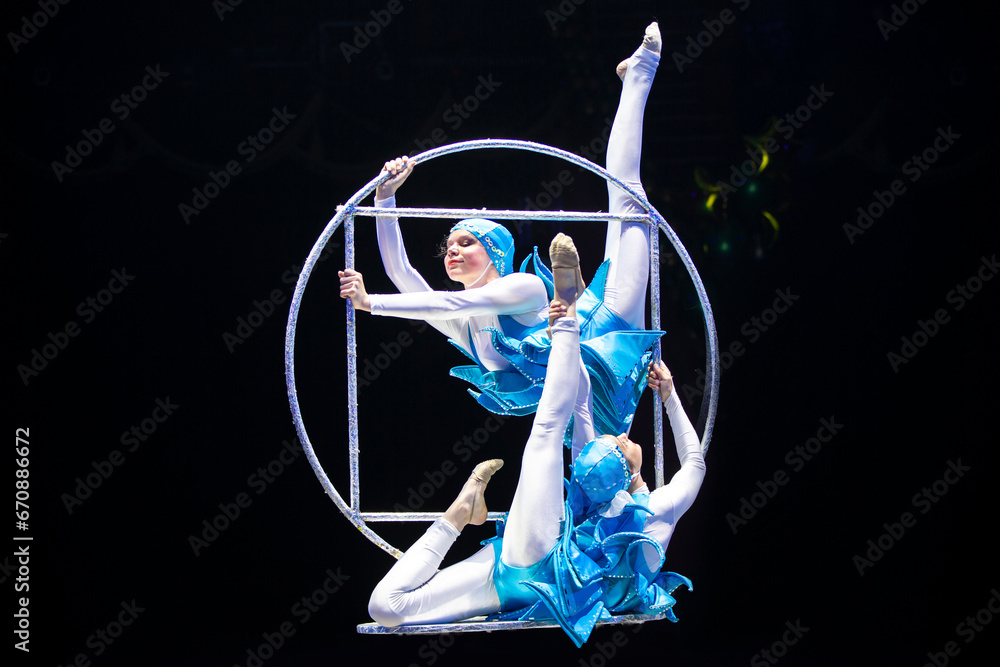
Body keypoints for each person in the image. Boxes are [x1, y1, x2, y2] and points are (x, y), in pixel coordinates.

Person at [366, 235, 706, 647]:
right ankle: (466, 509)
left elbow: (576, 412)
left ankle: (457, 515)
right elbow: (585, 406)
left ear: (625, 469)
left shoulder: (648, 505)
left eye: (618, 445)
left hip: (529, 569)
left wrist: (567, 320)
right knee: (387, 610)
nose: (619, 437)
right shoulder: (623, 500)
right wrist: (668, 397)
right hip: (521, 567)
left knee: (385, 608)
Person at [340, 23, 665, 438]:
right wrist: (385, 197)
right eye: (449, 246)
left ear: (494, 252)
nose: (451, 252)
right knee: (604, 484)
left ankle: (640, 73)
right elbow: (403, 275)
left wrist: (370, 304)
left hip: (607, 329)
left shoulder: (523, 287)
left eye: (465, 242)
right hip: (588, 407)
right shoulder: (471, 329)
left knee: (627, 198)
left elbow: (451, 305)